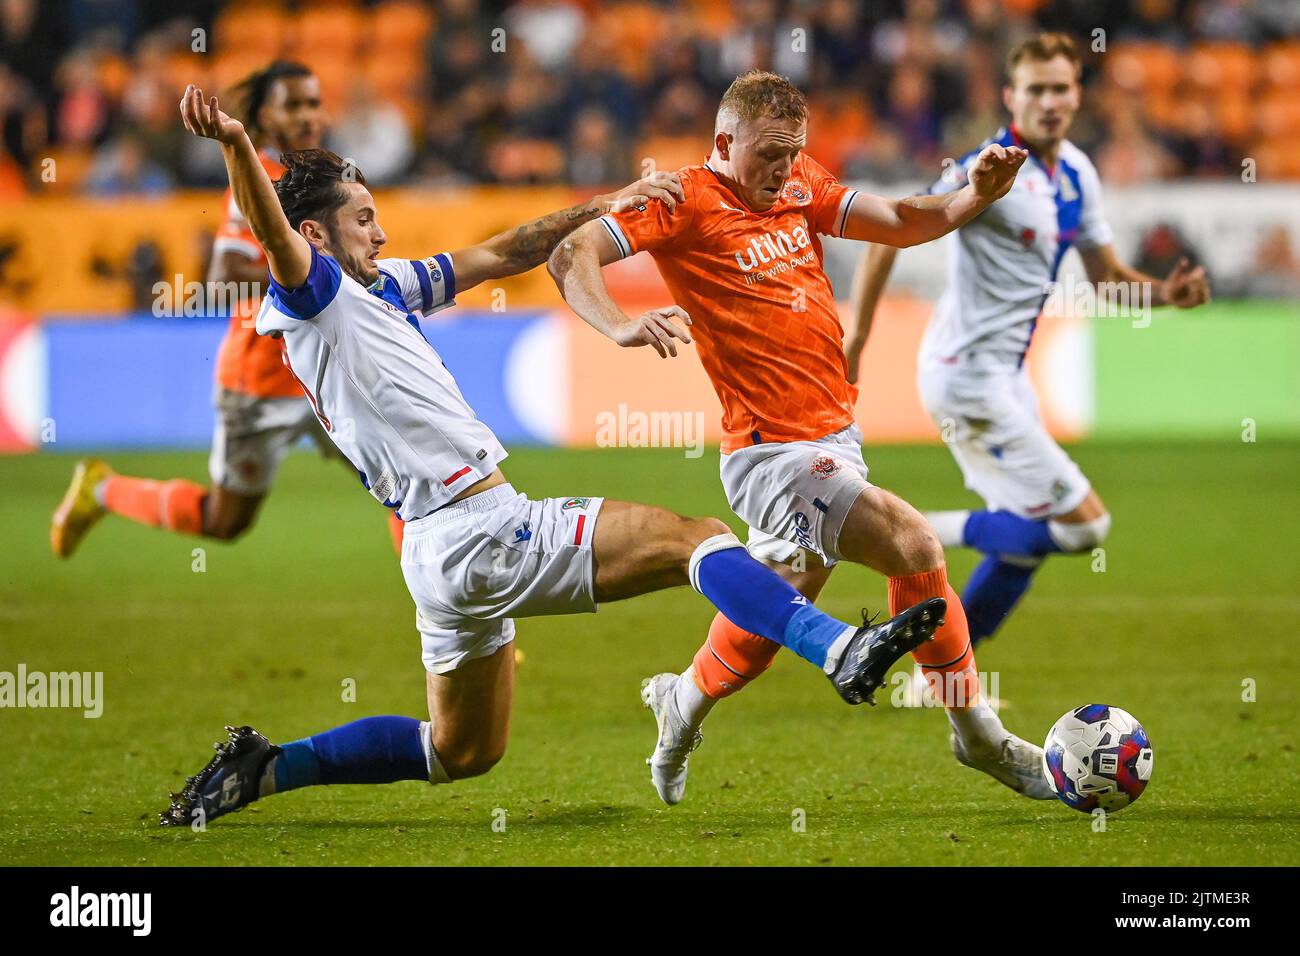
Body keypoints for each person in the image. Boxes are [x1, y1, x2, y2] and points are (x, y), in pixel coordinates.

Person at [158, 85, 944, 827]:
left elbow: (502, 254)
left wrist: (601, 207)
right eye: (365, 219)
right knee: (692, 537)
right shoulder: (312, 295)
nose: (383, 232)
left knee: (461, 751)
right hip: (477, 528)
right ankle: (837, 648)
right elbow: (271, 235)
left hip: (437, 553)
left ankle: (268, 766)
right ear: (317, 237)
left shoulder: (385, 286)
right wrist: (235, 143)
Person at [548, 69, 1053, 806]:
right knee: (915, 546)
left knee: (764, 618)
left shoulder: (798, 184)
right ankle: (978, 736)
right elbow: (572, 254)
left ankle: (680, 704)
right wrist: (620, 323)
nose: (782, 171)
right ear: (725, 142)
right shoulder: (684, 199)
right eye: (768, 155)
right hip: (770, 454)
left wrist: (975, 194)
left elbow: (905, 220)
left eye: (793, 154)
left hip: (832, 439)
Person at [845, 34, 1210, 655]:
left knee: (1021, 545)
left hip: (1008, 379)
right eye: (1036, 89)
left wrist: (1167, 297)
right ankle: (912, 530)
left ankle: (943, 676)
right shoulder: (986, 167)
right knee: (1084, 525)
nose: (1050, 101)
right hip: (967, 379)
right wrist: (858, 334)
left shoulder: (1076, 174)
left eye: (1061, 87)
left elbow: (1107, 280)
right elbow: (893, 227)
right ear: (1012, 97)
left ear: (1076, 94)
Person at [50, 61, 363, 554]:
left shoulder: (321, 179)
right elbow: (223, 279)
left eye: (314, 103)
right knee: (224, 521)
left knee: (402, 481)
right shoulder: (257, 180)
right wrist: (314, 279)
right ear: (265, 115)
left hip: (329, 368)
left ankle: (452, 621)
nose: (309, 116)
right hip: (262, 377)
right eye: (295, 104)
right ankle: (103, 489)